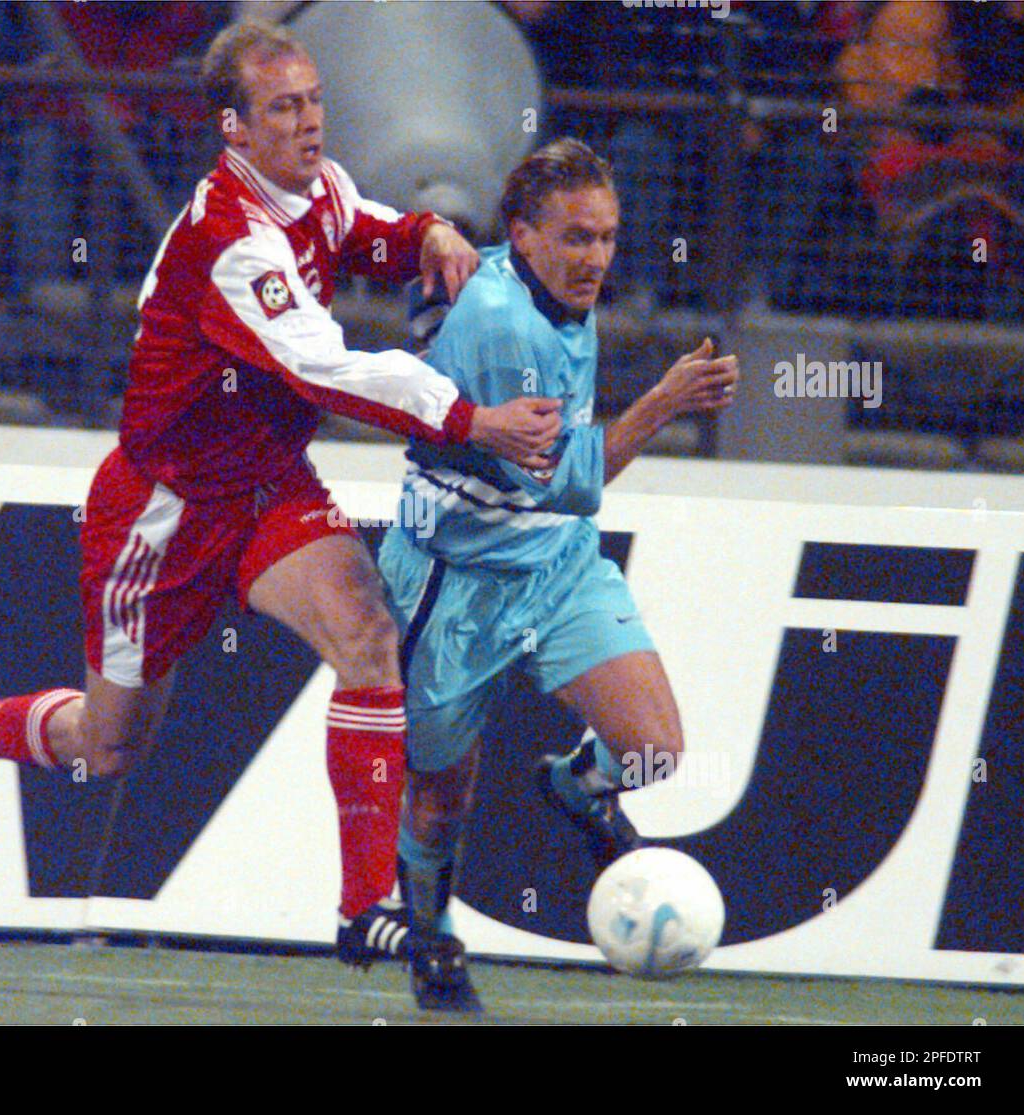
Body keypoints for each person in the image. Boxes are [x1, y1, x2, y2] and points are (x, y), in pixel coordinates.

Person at [0, 20, 561, 976]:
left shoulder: (315, 184)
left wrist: (423, 230)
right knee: (107, 746)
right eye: (284, 109)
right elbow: (328, 370)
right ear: (233, 129)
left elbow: (364, 229)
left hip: (268, 490)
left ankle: (365, 907)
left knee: (368, 633)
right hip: (163, 514)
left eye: (313, 102)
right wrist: (472, 421)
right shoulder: (231, 238)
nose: (309, 123)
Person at [380, 138, 740, 1010]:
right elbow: (576, 479)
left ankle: (576, 786)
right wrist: (665, 401)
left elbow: (561, 497)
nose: (596, 259)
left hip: (557, 562)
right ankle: (431, 939)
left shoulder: (548, 289)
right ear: (523, 235)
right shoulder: (502, 322)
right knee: (438, 799)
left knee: (652, 749)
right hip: (454, 579)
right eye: (577, 238)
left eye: (609, 237)